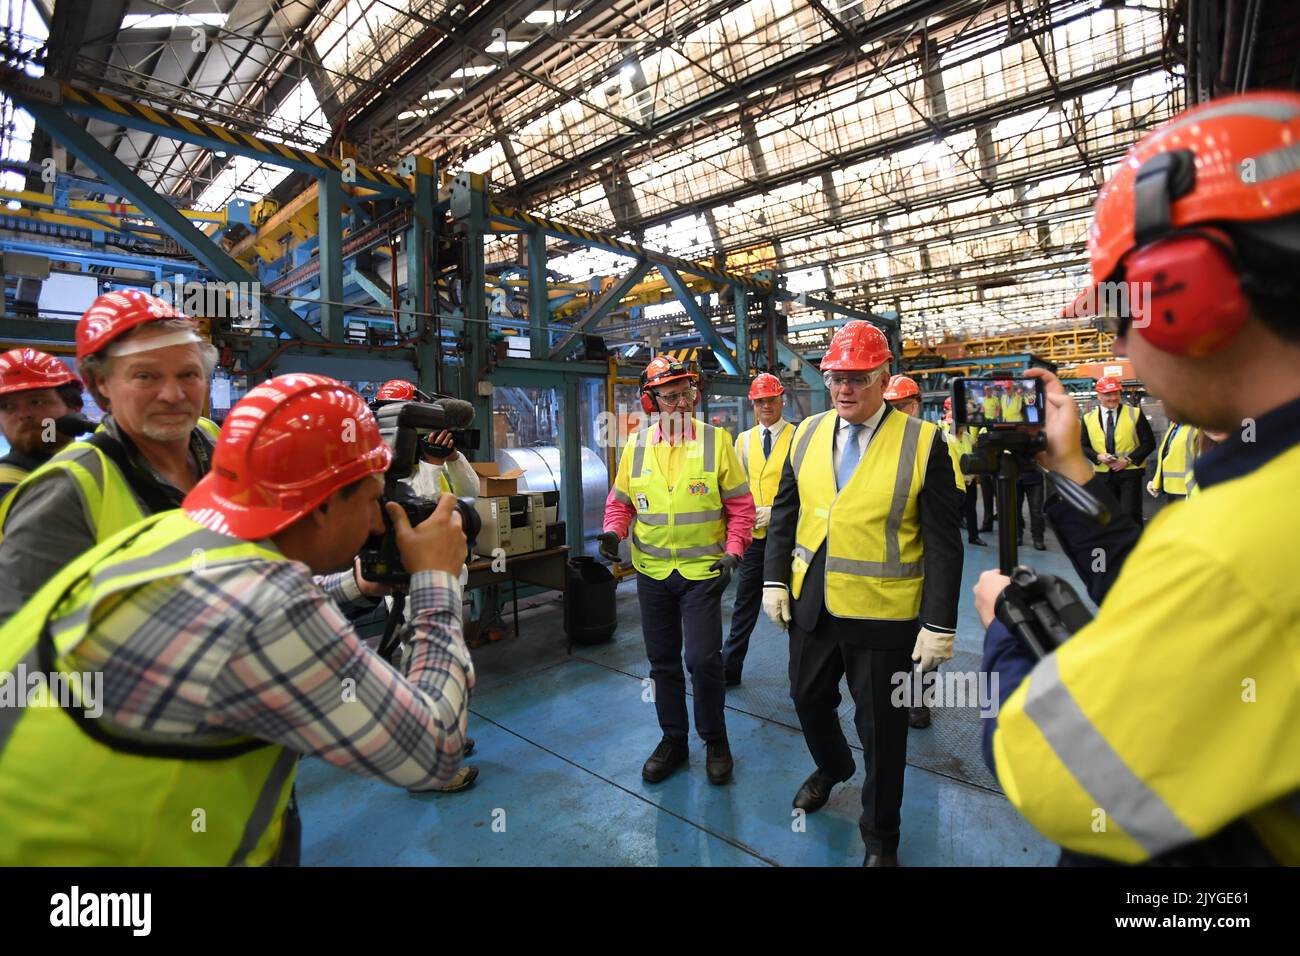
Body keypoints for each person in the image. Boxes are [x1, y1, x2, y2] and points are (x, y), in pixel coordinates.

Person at [976, 91, 1300, 865]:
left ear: (1183, 297)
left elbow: (1061, 771)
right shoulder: (1263, 495)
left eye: (1120, 317)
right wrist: (1073, 470)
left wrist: (1005, 634)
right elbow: (1157, 593)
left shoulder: (1242, 542)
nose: (1124, 351)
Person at [0, 373, 474, 864]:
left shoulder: (180, 530)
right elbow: (431, 750)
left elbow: (264, 609)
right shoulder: (267, 607)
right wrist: (434, 580)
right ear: (322, 506)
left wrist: (358, 584)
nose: (379, 522)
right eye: (372, 499)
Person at [762, 321, 964, 866]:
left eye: (857, 378)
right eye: (834, 378)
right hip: (813, 606)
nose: (843, 389)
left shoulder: (925, 444)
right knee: (807, 699)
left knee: (883, 732)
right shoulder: (804, 435)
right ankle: (833, 766)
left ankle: (881, 837)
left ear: (884, 378)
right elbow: (786, 512)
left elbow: (945, 544)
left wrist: (940, 622)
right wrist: (775, 579)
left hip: (884, 617)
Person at [0, 290, 221, 622]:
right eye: (146, 376)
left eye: (188, 374)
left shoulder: (213, 440)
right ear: (101, 384)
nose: (174, 395)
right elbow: (20, 640)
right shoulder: (65, 491)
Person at [597, 356, 755, 785]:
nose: (683, 403)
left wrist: (734, 553)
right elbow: (620, 503)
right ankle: (674, 740)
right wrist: (614, 531)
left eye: (688, 394)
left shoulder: (716, 442)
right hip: (651, 574)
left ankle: (715, 739)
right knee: (661, 661)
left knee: (702, 659)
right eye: (672, 396)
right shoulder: (635, 446)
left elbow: (741, 508)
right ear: (651, 403)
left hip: (702, 572)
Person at [722, 372, 792, 686]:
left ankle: (803, 675)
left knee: (798, 607)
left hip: (789, 537)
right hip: (754, 536)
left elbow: (810, 487)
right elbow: (736, 487)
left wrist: (775, 512)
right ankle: (729, 668)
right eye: (760, 401)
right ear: (753, 404)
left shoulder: (799, 436)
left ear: (782, 400)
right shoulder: (744, 440)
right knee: (744, 605)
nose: (766, 405)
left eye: (771, 399)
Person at [0, 348, 84, 498]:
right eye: (7, 406)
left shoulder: (100, 461)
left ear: (74, 406)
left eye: (36, 402)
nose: (24, 415)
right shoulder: (5, 483)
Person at [373, 379, 478, 498]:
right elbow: (418, 506)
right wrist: (433, 463)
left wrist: (453, 457)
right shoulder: (386, 466)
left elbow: (471, 494)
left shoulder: (433, 450)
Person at [1079, 376, 1155, 526]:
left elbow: (1149, 443)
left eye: (1116, 393)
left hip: (1129, 474)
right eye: (1108, 395)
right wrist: (1099, 456)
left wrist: (1127, 460)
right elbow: (1083, 446)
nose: (1113, 398)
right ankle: (1115, 546)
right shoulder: (1088, 418)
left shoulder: (1135, 414)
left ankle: (1135, 546)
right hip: (1103, 475)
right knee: (1109, 515)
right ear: (1099, 395)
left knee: (1130, 514)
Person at [1147, 417, 1200, 504]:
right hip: (1171, 488)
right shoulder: (1174, 425)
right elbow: (1166, 456)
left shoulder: (1197, 427)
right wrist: (1156, 482)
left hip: (1188, 490)